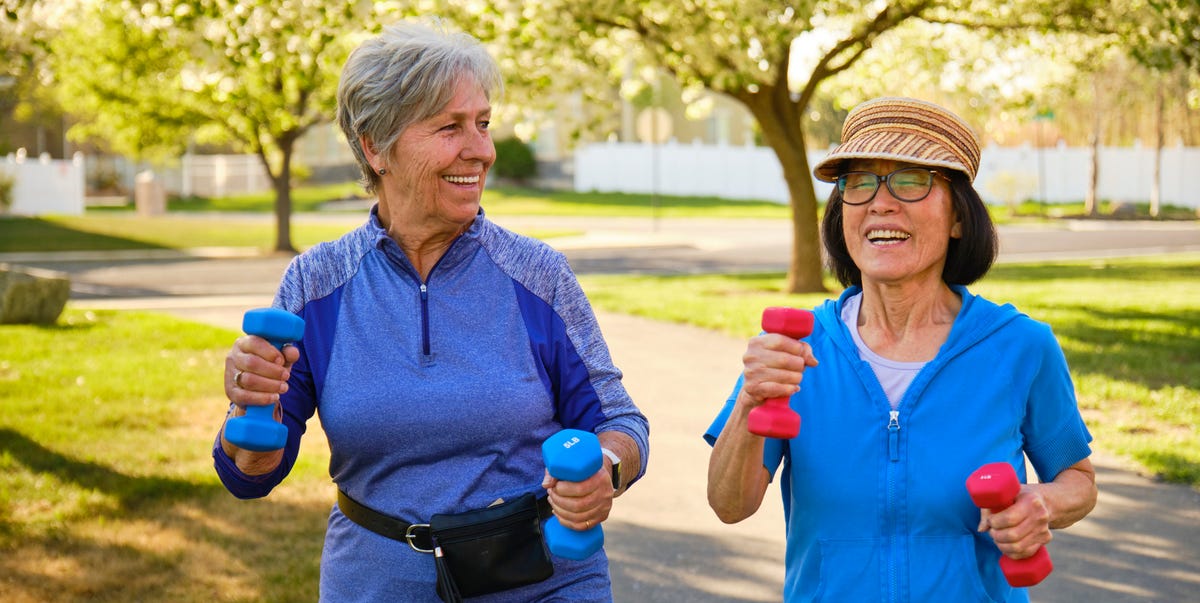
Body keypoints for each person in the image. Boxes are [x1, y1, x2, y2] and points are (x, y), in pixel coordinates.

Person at [213, 21, 648, 602]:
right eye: (450, 127)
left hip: (541, 582)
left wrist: (607, 471)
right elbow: (252, 471)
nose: (482, 149)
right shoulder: (317, 282)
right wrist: (249, 400)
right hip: (375, 584)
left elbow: (620, 423)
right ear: (375, 147)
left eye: (483, 124)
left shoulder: (537, 274)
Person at [704, 97, 1097, 602]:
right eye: (860, 181)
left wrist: (1042, 503)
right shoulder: (796, 348)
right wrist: (749, 402)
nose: (880, 203)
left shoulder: (1019, 346)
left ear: (959, 217)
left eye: (911, 180)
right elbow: (729, 504)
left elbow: (1078, 479)